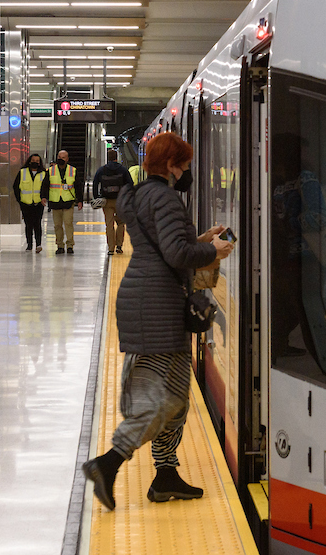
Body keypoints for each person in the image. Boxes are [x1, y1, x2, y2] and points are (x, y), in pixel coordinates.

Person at [82, 132, 234, 510]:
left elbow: (166, 246)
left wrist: (202, 240)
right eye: (184, 164)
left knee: (178, 400)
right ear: (170, 165)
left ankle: (166, 476)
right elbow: (177, 253)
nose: (186, 171)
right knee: (157, 401)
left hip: (157, 300)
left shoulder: (144, 194)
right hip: (154, 305)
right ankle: (108, 463)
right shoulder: (164, 197)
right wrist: (211, 250)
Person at [92, 150, 131, 254]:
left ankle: (110, 249)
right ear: (116, 157)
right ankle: (119, 246)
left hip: (107, 201)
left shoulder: (102, 170)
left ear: (108, 158)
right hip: (120, 201)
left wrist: (96, 197)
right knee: (121, 223)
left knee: (109, 225)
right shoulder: (123, 170)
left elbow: (95, 182)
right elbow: (130, 184)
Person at [13, 153, 47, 253]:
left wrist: (44, 198)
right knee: (28, 224)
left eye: (37, 161)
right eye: (33, 160)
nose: (35, 162)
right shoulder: (23, 172)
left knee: (37, 223)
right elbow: (16, 187)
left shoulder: (44, 173)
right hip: (25, 203)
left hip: (38, 203)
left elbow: (46, 187)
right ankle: (29, 245)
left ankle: (38, 244)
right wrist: (19, 200)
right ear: (29, 161)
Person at [48, 149, 80, 255]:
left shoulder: (73, 170)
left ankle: (70, 245)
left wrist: (79, 201)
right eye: (59, 157)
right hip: (55, 201)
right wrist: (44, 197)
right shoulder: (51, 170)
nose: (60, 159)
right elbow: (45, 185)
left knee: (68, 223)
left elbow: (78, 186)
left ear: (67, 159)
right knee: (57, 225)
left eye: (63, 158)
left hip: (68, 201)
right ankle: (60, 245)